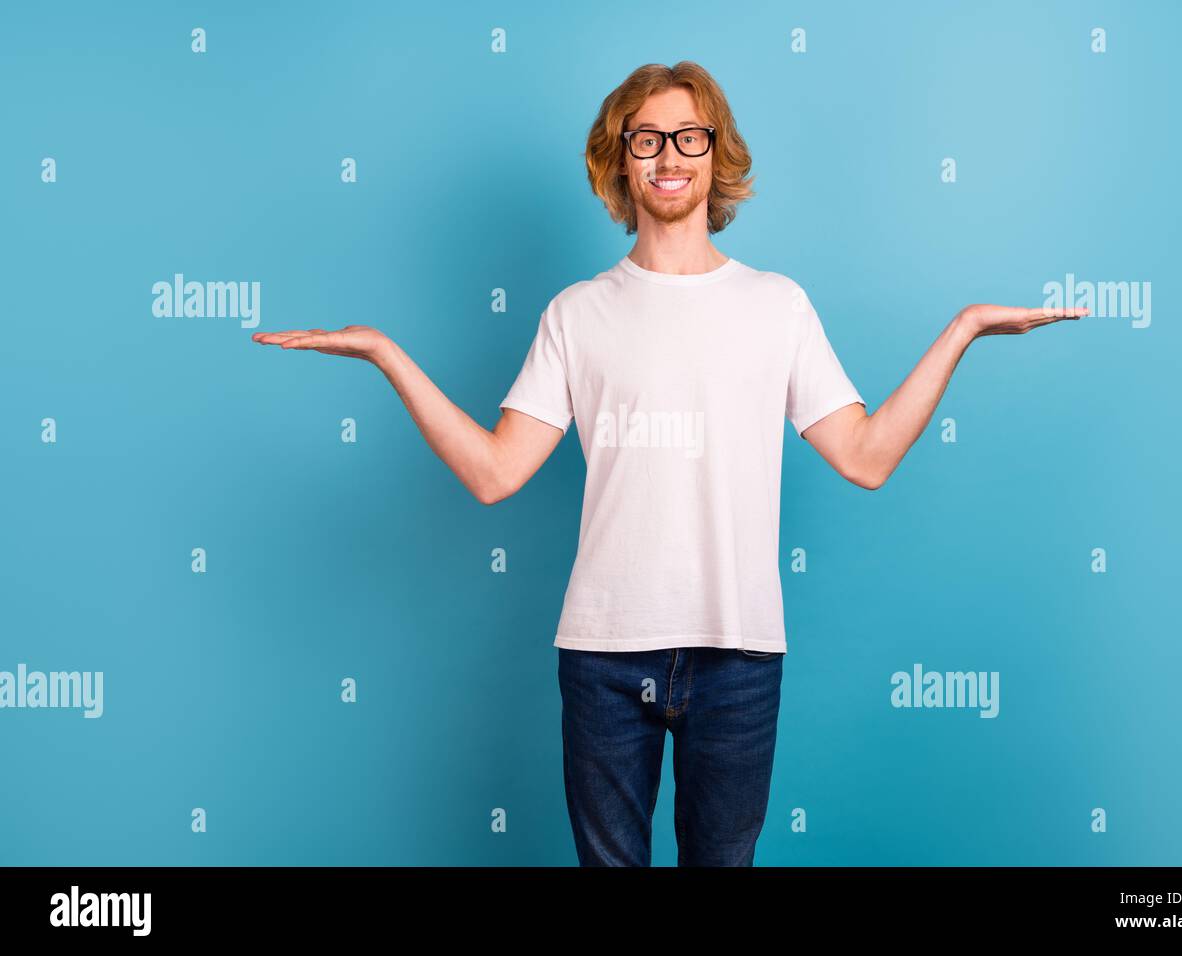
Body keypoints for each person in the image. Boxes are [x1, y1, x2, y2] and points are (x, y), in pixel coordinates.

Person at [251, 61, 1087, 866]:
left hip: (740, 657)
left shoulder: (776, 306)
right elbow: (495, 473)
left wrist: (964, 330)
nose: (669, 156)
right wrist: (387, 355)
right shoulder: (576, 315)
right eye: (645, 139)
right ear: (620, 160)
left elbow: (865, 458)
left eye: (689, 136)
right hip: (603, 656)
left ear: (716, 153)